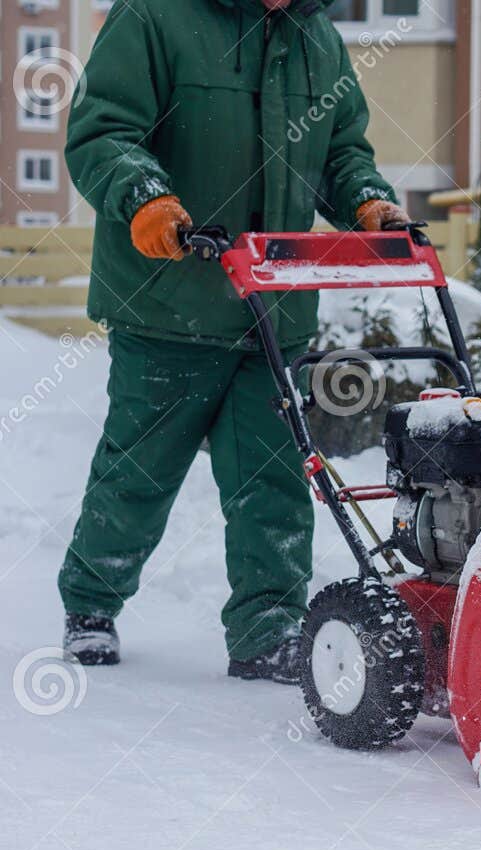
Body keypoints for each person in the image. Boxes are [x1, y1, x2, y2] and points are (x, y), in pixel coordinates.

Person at [58, 0, 410, 681]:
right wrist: (146, 195)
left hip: (273, 311)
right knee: (138, 471)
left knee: (272, 482)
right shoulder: (153, 18)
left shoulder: (319, 39)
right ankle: (91, 604)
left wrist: (366, 198)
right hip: (169, 301)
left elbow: (342, 150)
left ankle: (267, 630)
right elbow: (102, 132)